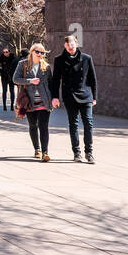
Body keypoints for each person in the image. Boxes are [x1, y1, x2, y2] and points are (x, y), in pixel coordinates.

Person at [50, 34, 98, 164]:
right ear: (64, 46)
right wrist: (55, 97)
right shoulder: (59, 59)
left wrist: (94, 96)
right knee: (73, 124)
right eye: (67, 45)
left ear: (76, 44)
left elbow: (92, 79)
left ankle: (89, 152)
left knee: (88, 123)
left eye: (72, 44)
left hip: (85, 95)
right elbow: (56, 80)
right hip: (69, 96)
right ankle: (77, 152)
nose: (70, 47)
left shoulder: (87, 58)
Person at [14, 44, 54, 161]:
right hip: (29, 101)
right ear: (32, 51)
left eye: (43, 53)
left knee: (44, 126)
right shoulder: (23, 64)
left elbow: (51, 84)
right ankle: (37, 148)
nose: (40, 55)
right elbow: (15, 79)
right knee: (33, 125)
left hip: (44, 101)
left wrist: (54, 99)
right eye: (38, 52)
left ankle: (45, 152)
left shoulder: (46, 66)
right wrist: (30, 81)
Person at [0, 47, 17, 112]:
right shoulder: (2, 57)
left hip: (11, 76)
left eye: (6, 52)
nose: (5, 53)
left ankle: (12, 105)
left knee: (12, 91)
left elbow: (16, 65)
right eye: (4, 52)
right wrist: (0, 70)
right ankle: (4, 105)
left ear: (9, 52)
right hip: (4, 76)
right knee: (4, 91)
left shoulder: (13, 57)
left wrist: (14, 72)